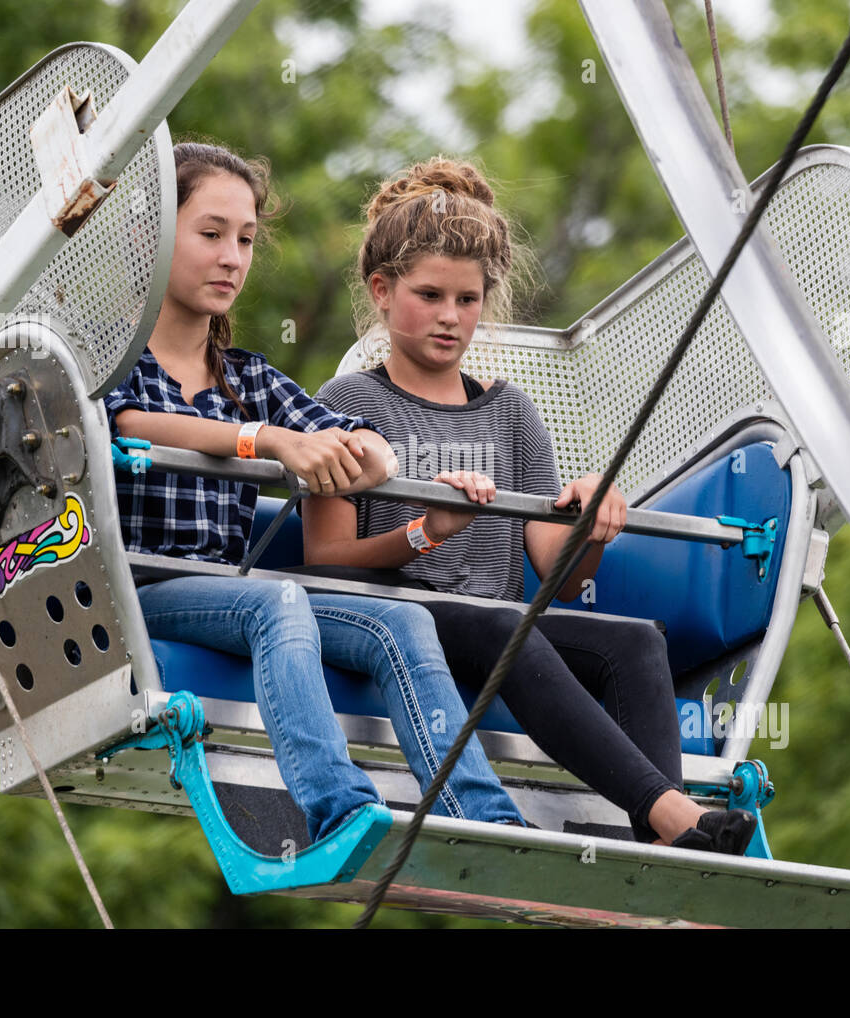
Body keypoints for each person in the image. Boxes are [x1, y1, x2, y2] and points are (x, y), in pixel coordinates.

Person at [303, 156, 755, 853]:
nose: (451, 318)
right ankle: (672, 815)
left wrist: (591, 525)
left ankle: (663, 837)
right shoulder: (345, 404)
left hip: (498, 628)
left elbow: (559, 578)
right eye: (430, 296)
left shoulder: (512, 412)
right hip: (400, 623)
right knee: (497, 628)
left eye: (468, 299)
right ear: (382, 292)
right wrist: (425, 533)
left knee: (638, 640)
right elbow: (325, 563)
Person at [104, 142, 524, 844]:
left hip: (226, 588)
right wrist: (265, 442)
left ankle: (481, 816)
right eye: (210, 235)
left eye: (243, 239)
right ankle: (340, 809)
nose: (232, 257)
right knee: (282, 599)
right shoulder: (117, 362)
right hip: (144, 587)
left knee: (405, 622)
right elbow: (124, 422)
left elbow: (360, 437)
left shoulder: (249, 379)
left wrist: (361, 453)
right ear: (152, 236)